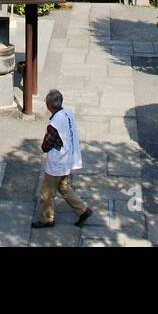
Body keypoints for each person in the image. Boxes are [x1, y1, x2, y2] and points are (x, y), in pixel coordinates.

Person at [32, 89, 93, 229]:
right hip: (69, 158)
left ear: (49, 106)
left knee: (46, 194)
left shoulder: (54, 125)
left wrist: (45, 147)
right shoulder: (68, 113)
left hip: (57, 163)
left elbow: (45, 145)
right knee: (64, 187)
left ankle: (47, 219)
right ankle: (83, 210)